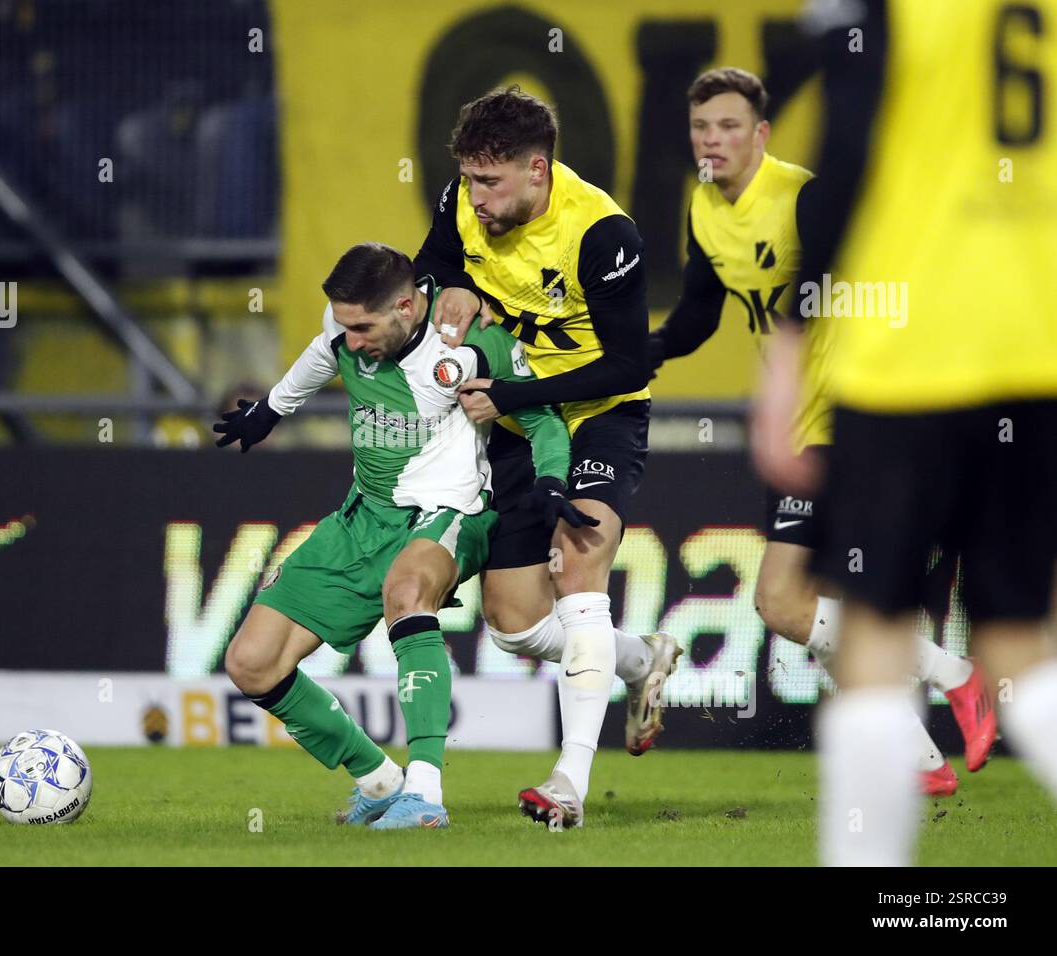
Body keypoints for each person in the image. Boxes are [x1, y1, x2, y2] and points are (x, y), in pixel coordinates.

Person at [753, 0, 1057, 865]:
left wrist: (793, 336)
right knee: (1022, 649)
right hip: (1036, 345)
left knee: (875, 636)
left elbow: (849, 137)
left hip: (909, 350)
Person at [650, 67, 992, 796]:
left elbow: (860, 283)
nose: (713, 141)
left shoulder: (803, 198)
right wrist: (634, 356)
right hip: (803, 424)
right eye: (701, 128)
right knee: (798, 604)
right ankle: (939, 721)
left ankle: (939, 715)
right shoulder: (705, 207)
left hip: (850, 416)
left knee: (791, 599)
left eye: (729, 127)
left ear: (761, 134)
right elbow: (698, 315)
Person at [216, 242, 583, 829]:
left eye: (364, 327)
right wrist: (271, 409)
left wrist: (551, 481)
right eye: (345, 325)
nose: (352, 341)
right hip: (362, 516)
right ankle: (378, 778)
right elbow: (322, 353)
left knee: (408, 593)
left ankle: (425, 795)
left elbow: (541, 416)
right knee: (251, 663)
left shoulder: (469, 338)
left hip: (447, 510)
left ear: (408, 307)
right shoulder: (346, 328)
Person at [416, 86, 679, 828]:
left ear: (538, 170)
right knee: (514, 621)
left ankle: (569, 782)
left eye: (489, 182)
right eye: (468, 179)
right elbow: (429, 264)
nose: (476, 197)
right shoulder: (464, 200)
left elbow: (631, 365)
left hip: (598, 414)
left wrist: (513, 395)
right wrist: (455, 286)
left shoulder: (604, 234)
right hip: (517, 421)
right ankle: (639, 659)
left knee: (579, 553)